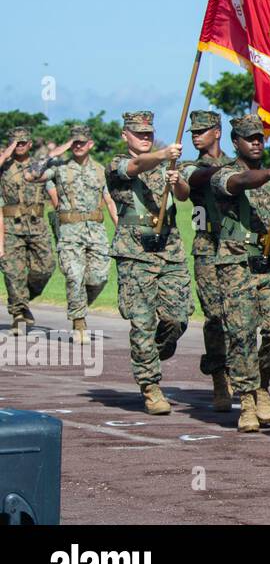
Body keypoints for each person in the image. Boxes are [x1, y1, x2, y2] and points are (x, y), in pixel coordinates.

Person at [209, 114, 270, 433]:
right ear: (236, 142)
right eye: (250, 138)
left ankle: (261, 380)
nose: (257, 143)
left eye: (260, 138)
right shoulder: (225, 174)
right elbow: (240, 183)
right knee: (242, 333)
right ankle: (247, 399)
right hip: (236, 262)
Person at [107, 111, 191, 415]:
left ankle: (151, 354)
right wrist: (163, 154)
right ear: (125, 135)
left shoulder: (165, 163)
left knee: (177, 317)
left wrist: (177, 178)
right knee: (142, 321)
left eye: (148, 133)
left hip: (168, 248)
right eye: (138, 133)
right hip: (135, 252)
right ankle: (151, 386)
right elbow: (135, 167)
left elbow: (183, 196)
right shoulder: (118, 164)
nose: (144, 138)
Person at [26, 125, 116, 341]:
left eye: (81, 142)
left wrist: (120, 228)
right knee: (74, 276)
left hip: (96, 231)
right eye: (74, 142)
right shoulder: (58, 167)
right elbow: (31, 175)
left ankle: (79, 305)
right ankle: (79, 322)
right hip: (69, 232)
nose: (77, 146)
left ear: (90, 144)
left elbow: (110, 200)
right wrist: (54, 153)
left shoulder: (99, 170)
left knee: (99, 277)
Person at [178, 110, 234, 411]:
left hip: (236, 246)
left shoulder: (235, 163)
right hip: (207, 247)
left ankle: (243, 371)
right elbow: (185, 192)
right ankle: (219, 377)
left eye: (202, 130)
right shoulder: (190, 166)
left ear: (217, 132)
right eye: (193, 132)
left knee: (238, 314)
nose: (196, 135)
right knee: (214, 316)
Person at [1, 127, 56, 332]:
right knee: (12, 272)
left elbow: (51, 188)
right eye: (16, 142)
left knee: (46, 266)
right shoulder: (4, 165)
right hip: (10, 225)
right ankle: (19, 313)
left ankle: (22, 298)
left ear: (30, 144)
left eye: (23, 142)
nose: (19, 146)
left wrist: (59, 209)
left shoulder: (38, 165)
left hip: (36, 224)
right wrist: (7, 152)